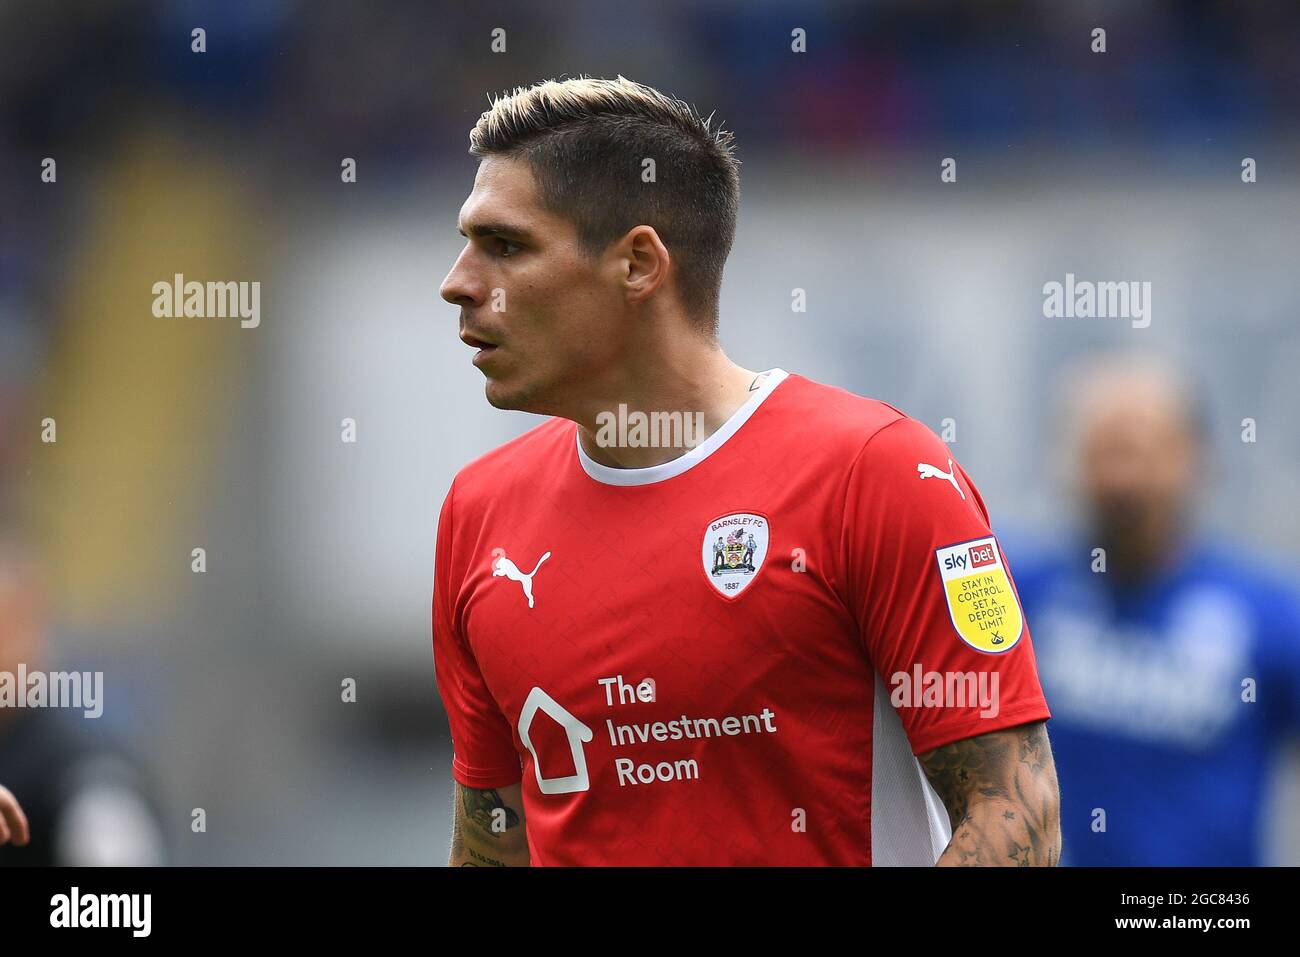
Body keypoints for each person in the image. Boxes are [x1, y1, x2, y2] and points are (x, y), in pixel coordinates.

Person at [433, 76, 1059, 866]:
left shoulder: (878, 473)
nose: (458, 282)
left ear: (637, 264)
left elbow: (1018, 816)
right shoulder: (478, 513)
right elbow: (492, 847)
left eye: (505, 246)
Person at [1011, 353, 1300, 865]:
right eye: (1104, 452)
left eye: (1144, 451)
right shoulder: (1021, 598)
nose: (1123, 478)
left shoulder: (1265, 615)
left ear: (1199, 459)